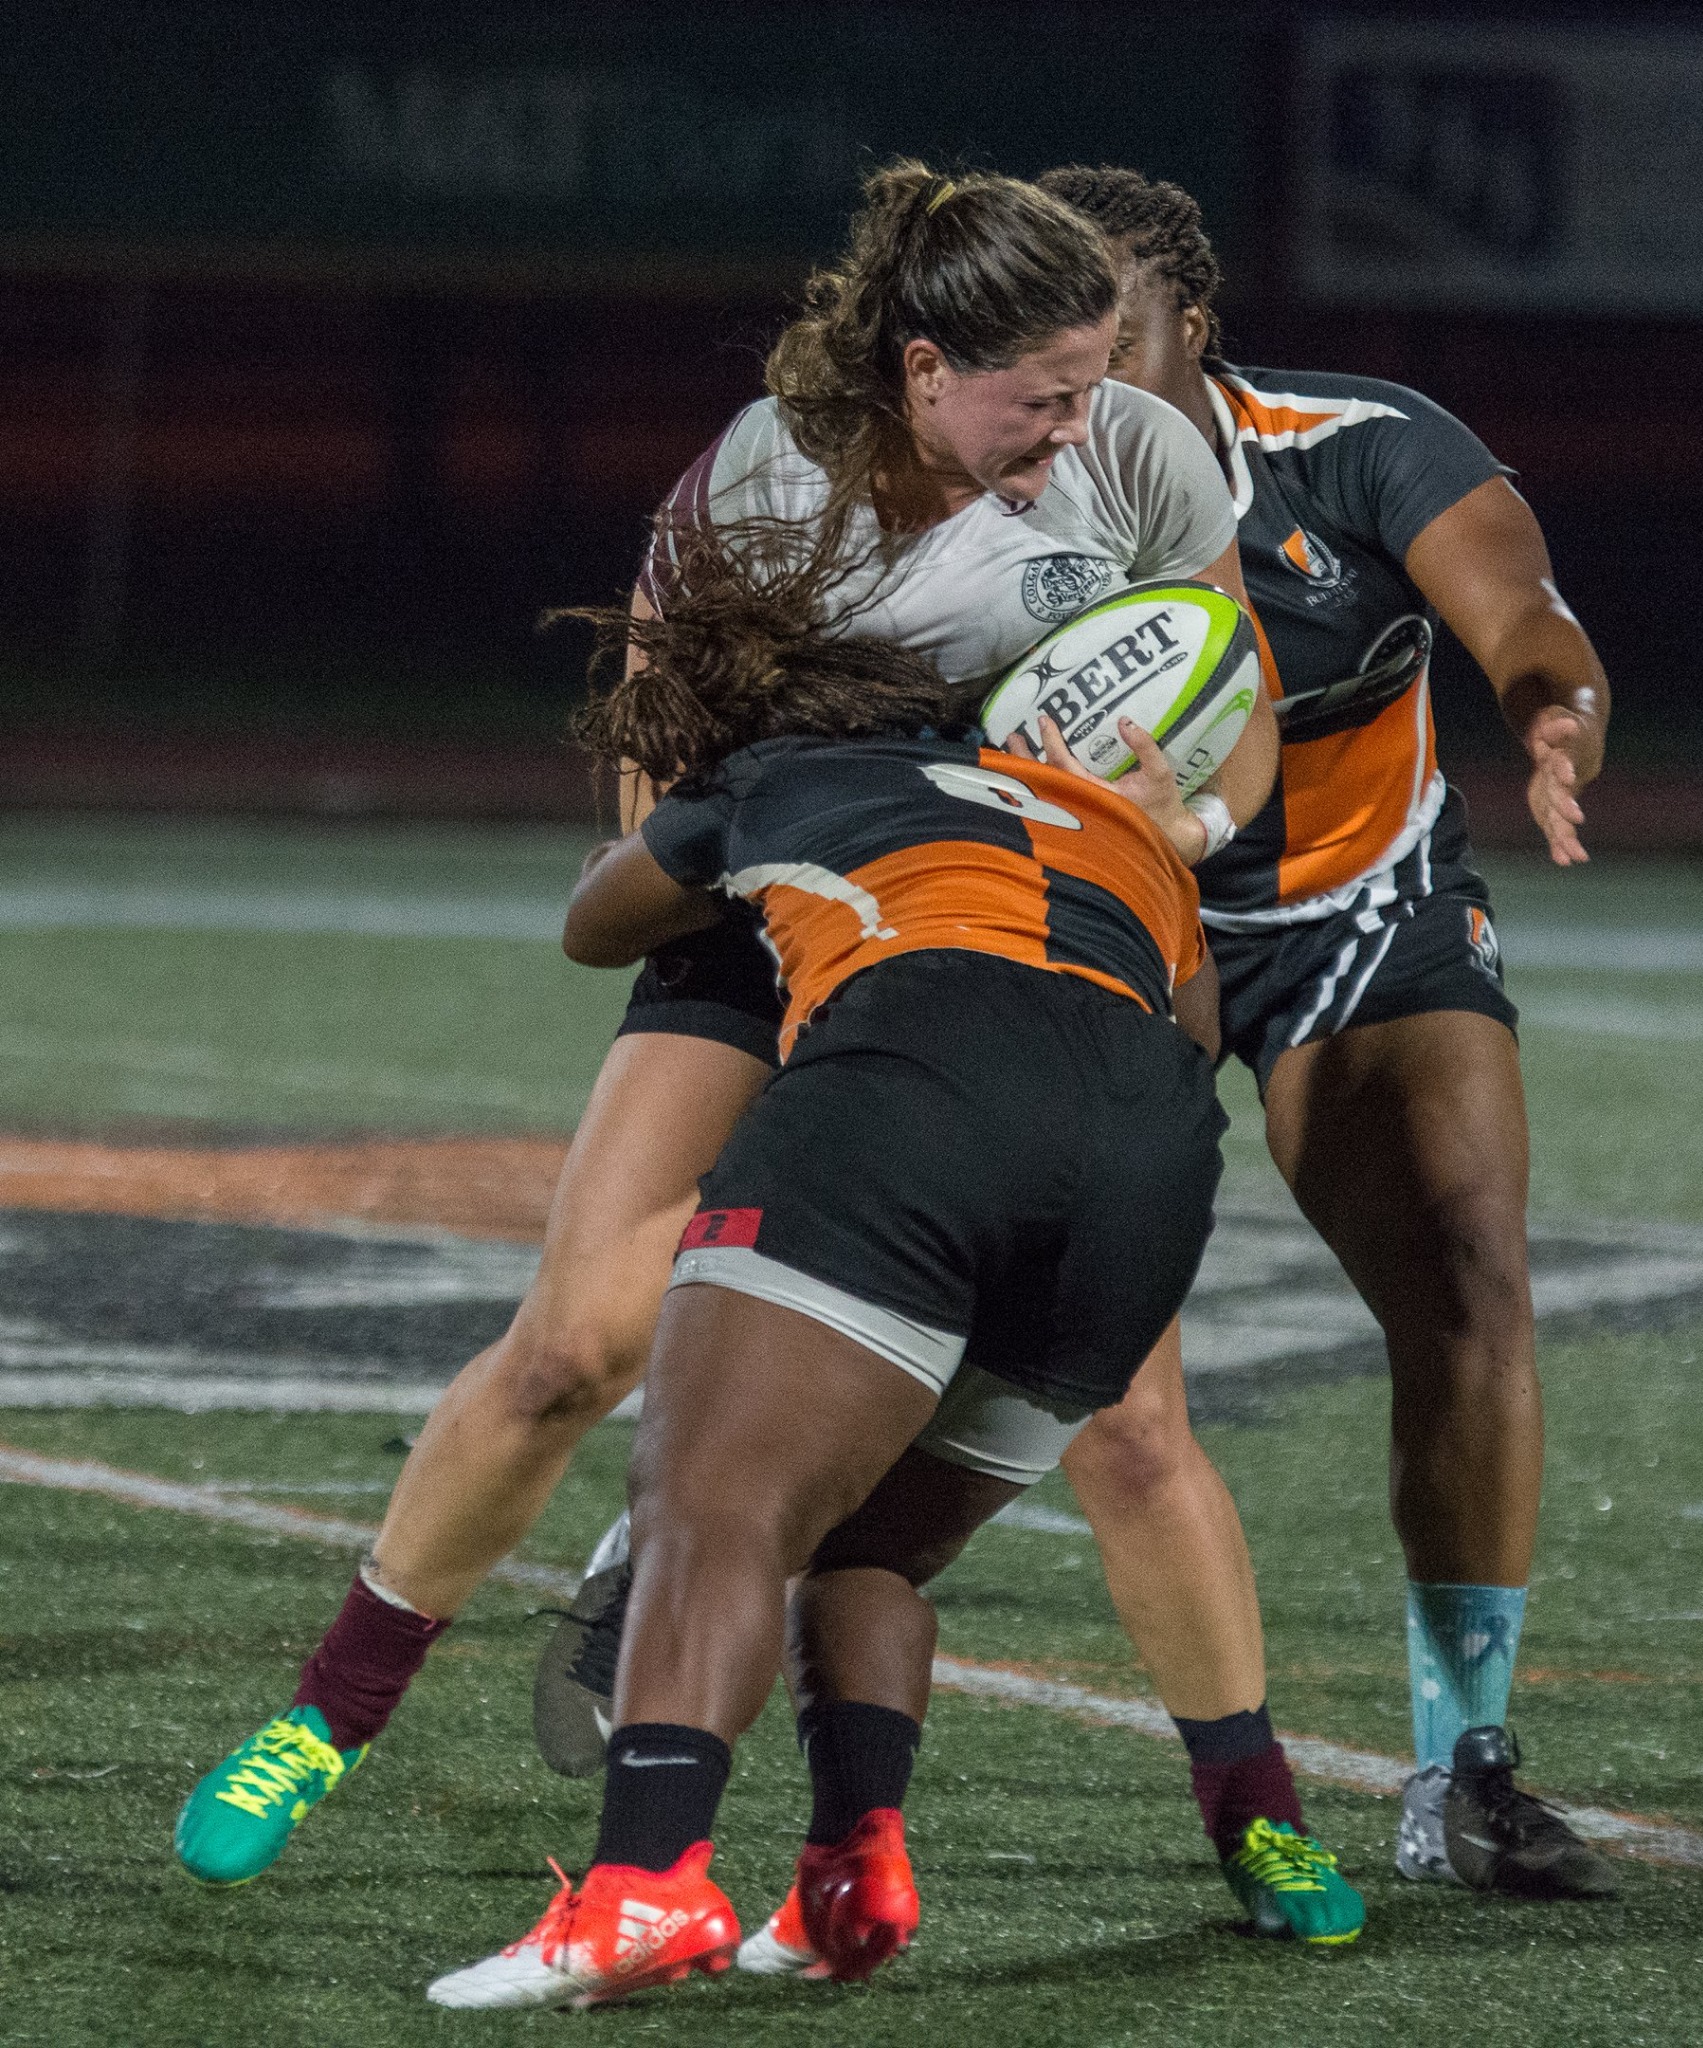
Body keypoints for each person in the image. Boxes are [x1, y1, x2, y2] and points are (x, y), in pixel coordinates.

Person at [176, 161, 1344, 1943]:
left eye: (1102, 380)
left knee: (1129, 1428)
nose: (1084, 427)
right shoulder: (762, 481)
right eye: (1042, 396)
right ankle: (325, 1714)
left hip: (1027, 944)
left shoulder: (1135, 459)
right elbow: (657, 747)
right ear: (925, 364)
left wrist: (1176, 828)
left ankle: (1251, 1809)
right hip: (787, 901)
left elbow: (1225, 718)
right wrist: (717, 918)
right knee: (572, 1342)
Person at [426, 535, 1250, 2008]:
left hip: (914, 1092)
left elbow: (593, 924)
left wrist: (696, 820)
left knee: (711, 1508)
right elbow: (1191, 1033)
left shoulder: (775, 776)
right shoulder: (1113, 826)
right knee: (866, 1545)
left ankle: (642, 1887)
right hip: (1148, 1166)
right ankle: (847, 1881)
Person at [1030, 163, 1618, 1897]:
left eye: (1113, 340)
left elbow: (1516, 613)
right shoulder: (1006, 486)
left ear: (1195, 329)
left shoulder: (1347, 442)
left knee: (1464, 1268)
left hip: (1360, 911)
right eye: (1048, 350)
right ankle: (694, 1528)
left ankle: (1465, 1769)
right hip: (1118, 916)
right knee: (1035, 1340)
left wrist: (1553, 711)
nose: (1078, 388)